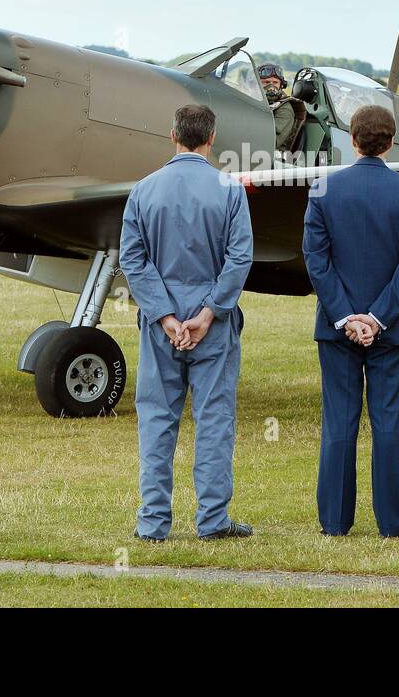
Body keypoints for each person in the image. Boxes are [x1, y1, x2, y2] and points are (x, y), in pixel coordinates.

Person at [119, 104, 255, 541]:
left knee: (156, 419)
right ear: (211, 138)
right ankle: (213, 520)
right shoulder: (229, 190)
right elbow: (239, 258)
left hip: (162, 324)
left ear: (172, 133)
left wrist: (164, 315)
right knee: (214, 418)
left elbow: (133, 260)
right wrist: (208, 312)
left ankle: (153, 521)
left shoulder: (143, 190)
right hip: (212, 323)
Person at [302, 105, 399, 538]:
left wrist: (346, 317)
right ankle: (393, 523)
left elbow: (317, 262)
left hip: (338, 326)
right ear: (391, 143)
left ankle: (335, 521)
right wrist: (376, 318)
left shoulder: (323, 188)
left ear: (352, 141)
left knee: (339, 421)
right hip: (392, 328)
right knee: (387, 424)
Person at [257, 62, 307, 152]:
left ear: (281, 85)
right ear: (257, 84)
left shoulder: (285, 109)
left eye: (275, 82)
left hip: (270, 159)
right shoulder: (257, 102)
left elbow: (269, 142)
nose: (271, 86)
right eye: (267, 82)